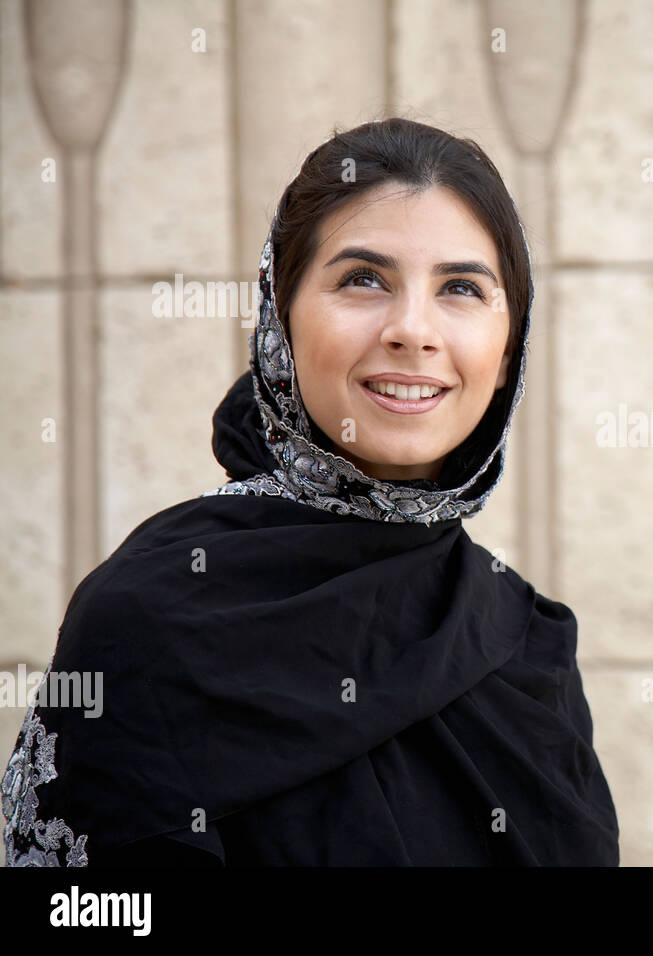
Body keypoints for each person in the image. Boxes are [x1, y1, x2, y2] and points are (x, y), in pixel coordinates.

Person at [1, 117, 619, 866]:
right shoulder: (153, 620)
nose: (412, 330)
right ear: (280, 318)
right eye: (363, 279)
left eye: (461, 288)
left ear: (508, 344)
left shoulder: (525, 644)